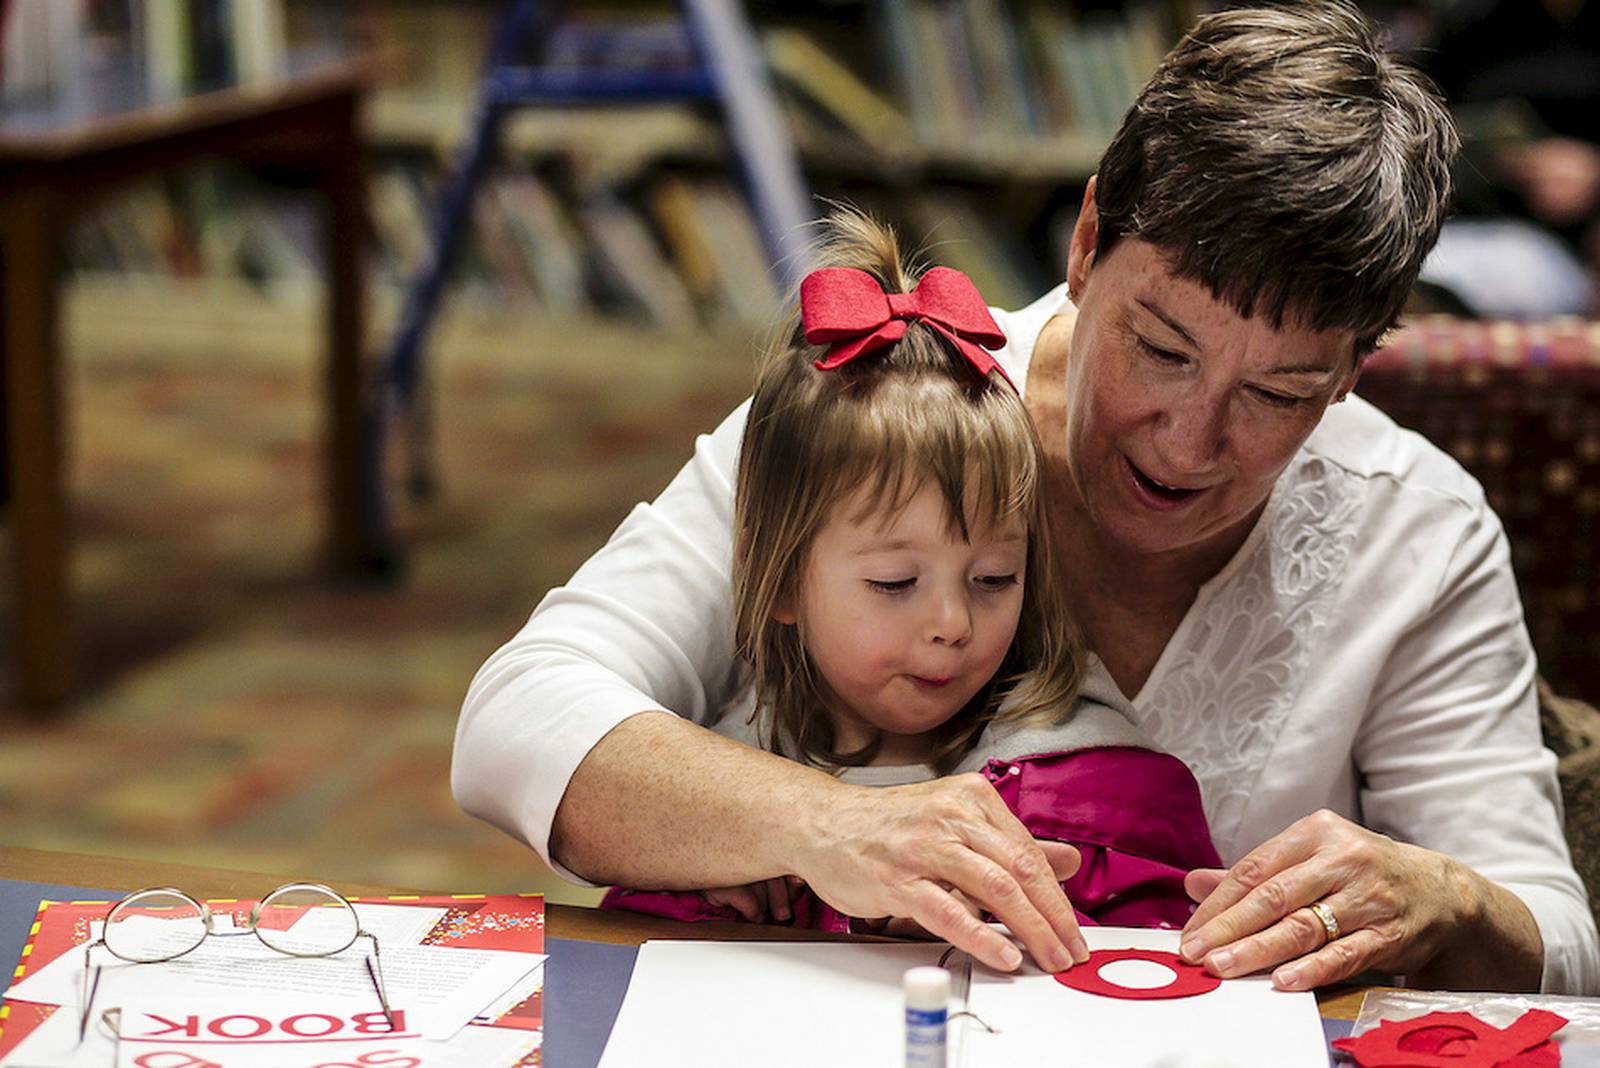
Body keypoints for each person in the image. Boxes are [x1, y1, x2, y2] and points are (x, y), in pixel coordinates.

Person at [453, 0, 1600, 994]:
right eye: (1159, 349)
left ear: (1354, 369)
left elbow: (1559, 945)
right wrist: (828, 825)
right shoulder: (893, 406)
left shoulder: (1414, 528)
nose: (1190, 440)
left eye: (1280, 393)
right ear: (1089, 242)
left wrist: (1443, 896)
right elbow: (517, 718)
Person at [598, 213, 1221, 935]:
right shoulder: (711, 793)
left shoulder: (1093, 804)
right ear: (779, 581)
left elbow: (1162, 975)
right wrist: (705, 893)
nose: (953, 625)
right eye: (896, 583)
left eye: (993, 579)